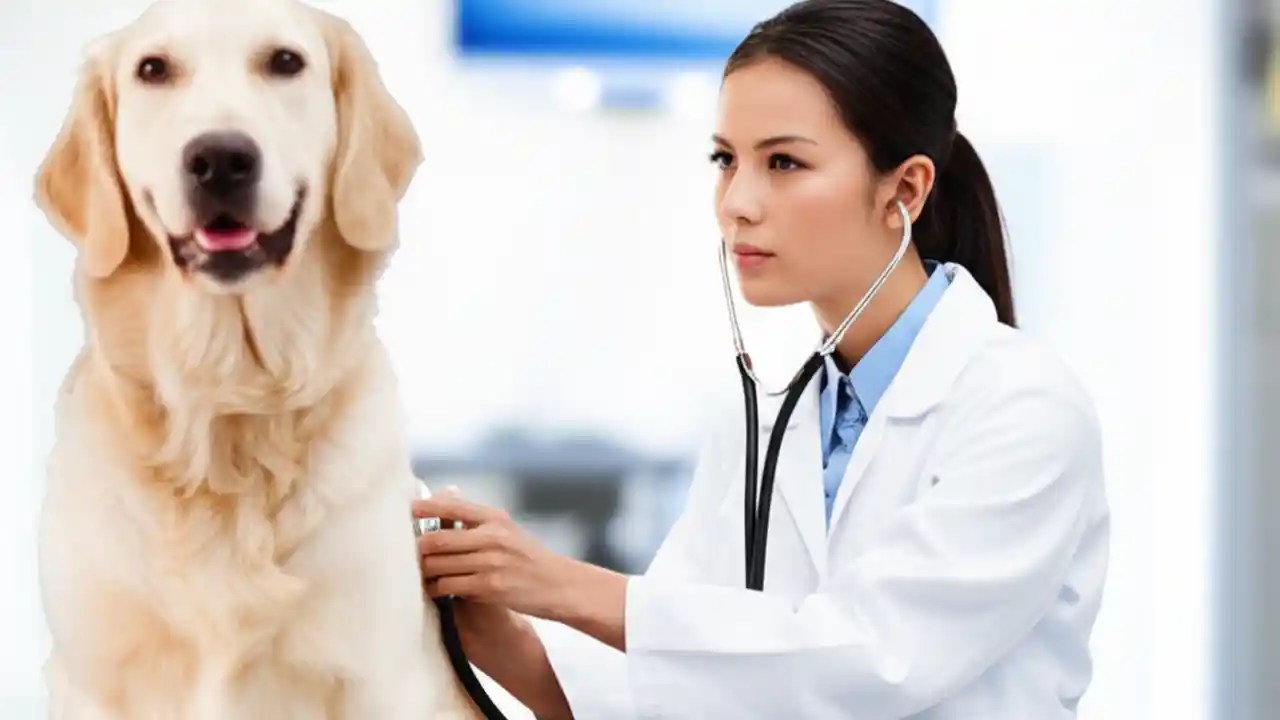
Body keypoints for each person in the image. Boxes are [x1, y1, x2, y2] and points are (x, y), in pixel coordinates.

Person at [413, 1, 1110, 717]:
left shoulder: (1023, 409)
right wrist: (492, 628)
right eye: (726, 160)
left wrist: (556, 583)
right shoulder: (759, 423)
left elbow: (870, 661)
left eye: (784, 162)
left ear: (903, 189)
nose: (737, 203)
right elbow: (685, 694)